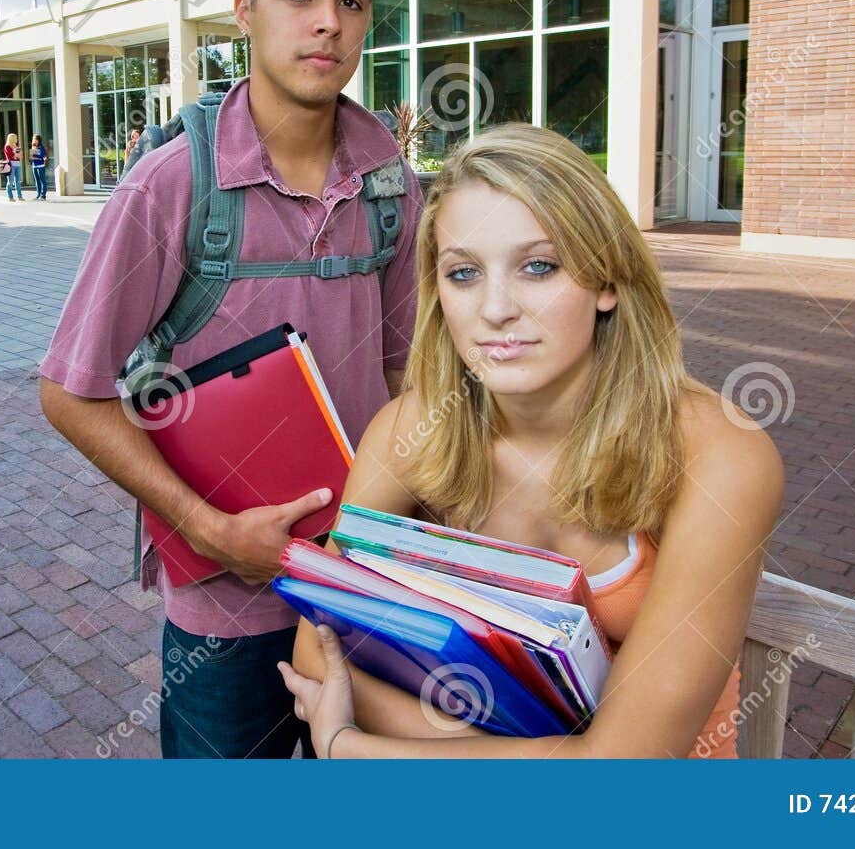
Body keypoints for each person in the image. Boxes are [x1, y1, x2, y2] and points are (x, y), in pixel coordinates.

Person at [40, 0, 422, 759]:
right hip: (227, 602)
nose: (329, 20)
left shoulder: (394, 186)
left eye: (353, 1)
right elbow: (69, 391)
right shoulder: (170, 186)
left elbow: (413, 381)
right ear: (245, 12)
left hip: (364, 588)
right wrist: (211, 532)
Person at [278, 124, 785, 758]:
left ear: (606, 281)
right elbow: (315, 642)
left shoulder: (719, 451)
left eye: (538, 266)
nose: (495, 309)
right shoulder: (411, 430)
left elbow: (625, 769)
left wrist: (352, 743)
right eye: (463, 273)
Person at [2, 133, 22, 201]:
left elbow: (19, 156)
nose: (16, 139)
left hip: (17, 164)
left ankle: (20, 196)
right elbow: (10, 156)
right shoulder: (7, 146)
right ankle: (10, 197)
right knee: (10, 181)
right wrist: (16, 154)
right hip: (11, 165)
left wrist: (17, 154)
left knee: (18, 181)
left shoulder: (16, 146)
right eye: (15, 138)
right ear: (12, 139)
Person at [29, 134, 49, 200]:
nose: (33, 140)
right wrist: (33, 155)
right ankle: (38, 194)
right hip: (34, 165)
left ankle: (43, 195)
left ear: (37, 140)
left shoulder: (41, 147)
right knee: (37, 181)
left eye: (34, 139)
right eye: (33, 139)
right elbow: (31, 157)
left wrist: (34, 155)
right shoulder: (33, 147)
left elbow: (42, 156)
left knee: (42, 180)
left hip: (40, 166)